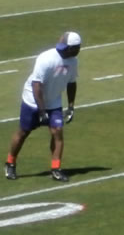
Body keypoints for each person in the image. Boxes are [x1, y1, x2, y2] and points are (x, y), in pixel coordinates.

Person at [5, 32, 82, 183]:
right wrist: (41, 111)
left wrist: (71, 106)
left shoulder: (73, 61)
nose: (64, 50)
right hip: (33, 100)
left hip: (54, 102)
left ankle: (56, 169)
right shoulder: (46, 59)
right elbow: (36, 85)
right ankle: (10, 163)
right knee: (23, 132)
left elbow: (72, 83)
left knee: (57, 132)